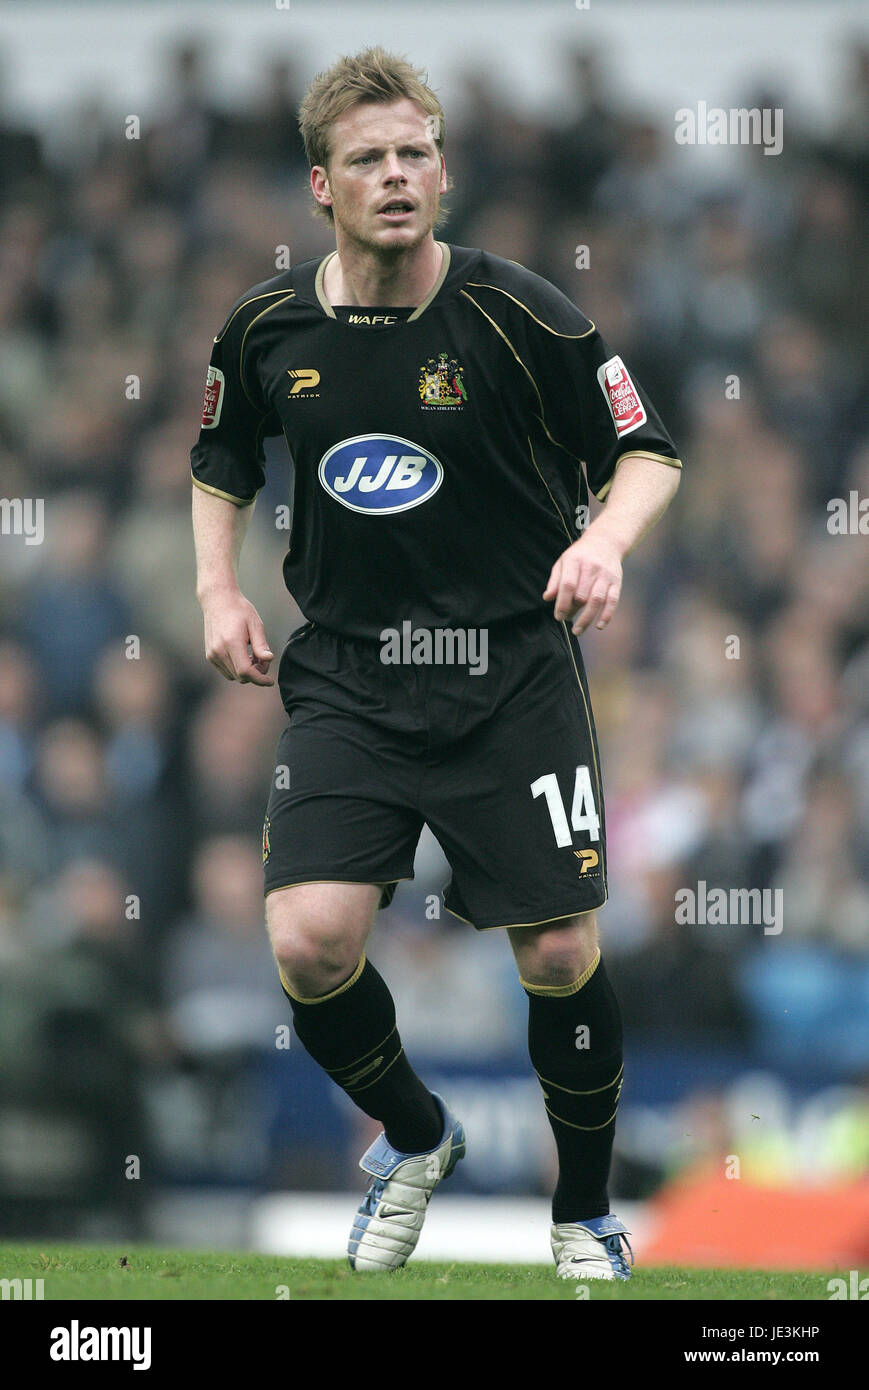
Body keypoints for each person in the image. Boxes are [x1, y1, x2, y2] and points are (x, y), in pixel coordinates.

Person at [190, 46, 682, 1282]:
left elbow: (649, 448)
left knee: (558, 955)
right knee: (307, 940)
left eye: (414, 152)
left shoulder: (524, 314)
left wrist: (603, 543)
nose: (396, 174)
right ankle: (418, 1137)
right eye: (368, 158)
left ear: (443, 169)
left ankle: (580, 1215)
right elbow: (221, 462)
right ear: (321, 183)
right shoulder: (266, 327)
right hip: (348, 677)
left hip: (510, 669)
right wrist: (215, 587)